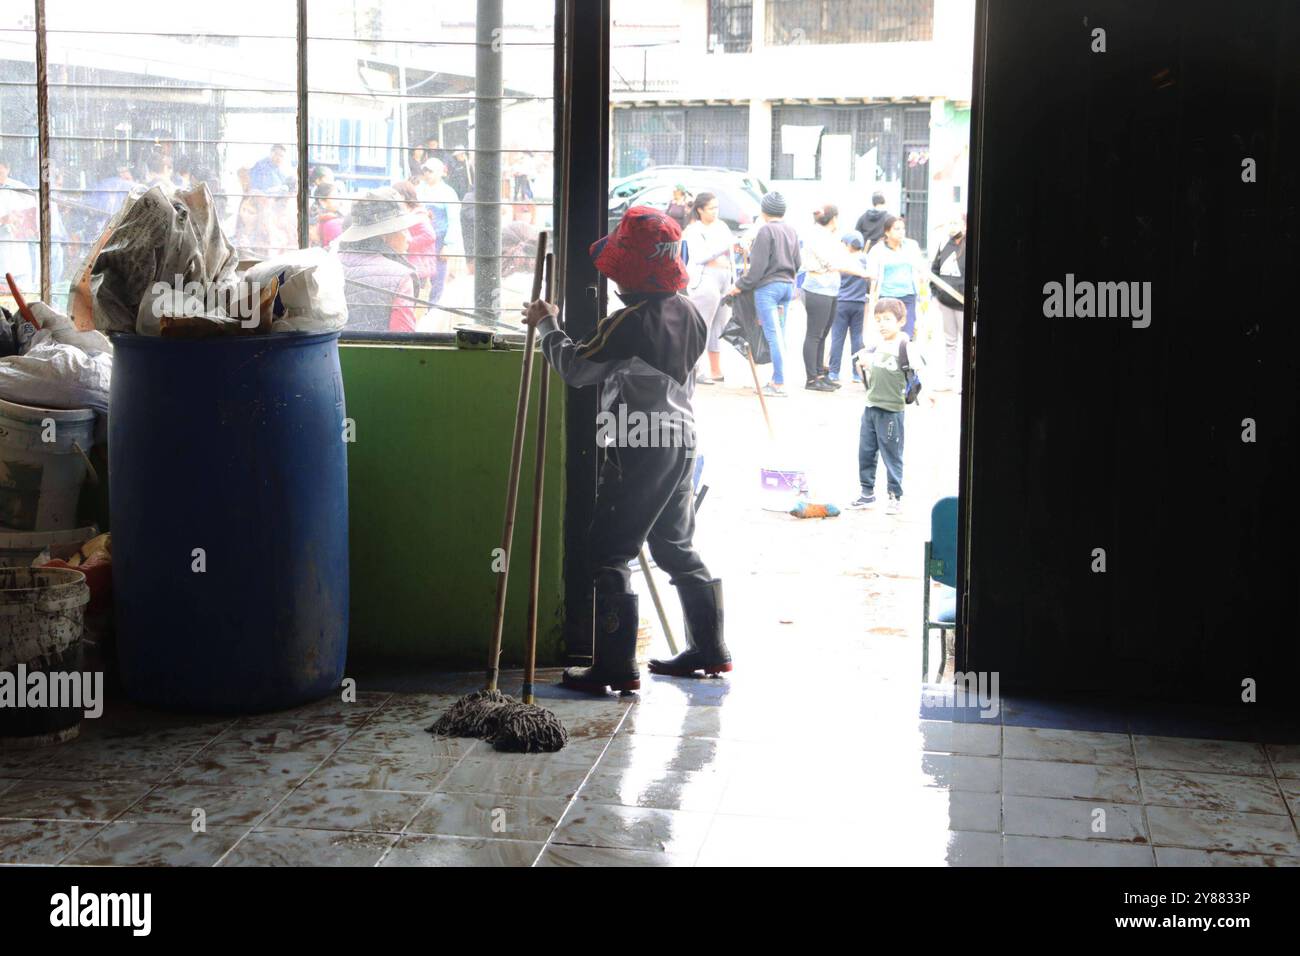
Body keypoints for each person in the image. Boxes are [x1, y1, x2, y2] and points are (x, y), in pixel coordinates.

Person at [520, 206, 731, 693]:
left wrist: (547, 324)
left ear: (627, 277)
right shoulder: (691, 313)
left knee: (609, 552)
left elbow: (575, 370)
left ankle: (614, 666)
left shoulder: (628, 323)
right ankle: (710, 649)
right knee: (674, 545)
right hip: (682, 440)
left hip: (641, 443)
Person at [730, 191, 800, 396]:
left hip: (768, 289)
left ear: (763, 211)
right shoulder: (791, 230)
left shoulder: (765, 231)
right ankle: (778, 379)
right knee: (780, 334)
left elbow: (757, 268)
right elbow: (798, 262)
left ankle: (778, 383)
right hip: (787, 287)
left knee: (773, 335)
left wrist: (740, 285)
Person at [850, 298, 917, 515]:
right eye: (878, 320)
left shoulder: (906, 346)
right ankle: (866, 493)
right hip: (871, 407)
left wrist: (932, 393)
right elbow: (866, 375)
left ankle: (894, 496)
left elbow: (920, 372)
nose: (882, 324)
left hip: (892, 410)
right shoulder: (874, 346)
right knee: (866, 452)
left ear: (901, 321)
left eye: (887, 319)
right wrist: (862, 365)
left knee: (892, 454)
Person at [800, 204, 872, 392]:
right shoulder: (816, 236)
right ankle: (812, 378)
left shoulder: (830, 237)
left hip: (830, 290)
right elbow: (835, 263)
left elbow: (844, 258)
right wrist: (863, 274)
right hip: (817, 289)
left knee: (823, 334)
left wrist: (864, 271)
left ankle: (820, 374)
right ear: (834, 219)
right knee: (815, 334)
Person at [336, 187, 424, 333]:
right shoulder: (400, 276)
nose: (409, 238)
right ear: (384, 235)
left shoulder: (327, 266)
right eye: (403, 230)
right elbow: (403, 341)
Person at [682, 191, 735, 385]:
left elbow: (730, 249)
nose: (715, 212)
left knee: (719, 324)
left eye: (716, 208)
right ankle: (695, 368)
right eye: (711, 208)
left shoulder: (721, 226)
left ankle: (715, 369)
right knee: (702, 324)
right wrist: (724, 246)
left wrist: (736, 247)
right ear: (700, 209)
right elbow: (700, 256)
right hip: (705, 279)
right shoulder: (694, 230)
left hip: (724, 277)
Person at [864, 214, 928, 339]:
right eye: (897, 229)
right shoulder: (878, 250)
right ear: (887, 232)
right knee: (889, 333)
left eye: (903, 229)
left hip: (908, 295)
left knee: (907, 333)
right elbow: (871, 272)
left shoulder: (911, 246)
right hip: (887, 297)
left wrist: (922, 276)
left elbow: (921, 266)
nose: (901, 232)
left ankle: (904, 357)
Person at [416, 159, 463, 304]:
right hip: (420, 240)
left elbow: (454, 221)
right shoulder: (418, 189)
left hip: (439, 240)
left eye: (431, 171)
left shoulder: (448, 193)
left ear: (440, 173)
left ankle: (433, 307)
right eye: (425, 171)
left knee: (438, 276)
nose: (427, 174)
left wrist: (448, 245)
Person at [930, 215, 967, 392]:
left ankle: (965, 380)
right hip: (945, 302)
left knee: (967, 342)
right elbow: (935, 270)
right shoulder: (944, 244)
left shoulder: (971, 244)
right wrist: (936, 293)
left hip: (963, 303)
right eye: (949, 222)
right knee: (950, 341)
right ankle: (948, 378)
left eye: (955, 222)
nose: (952, 226)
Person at [827, 230, 869, 383]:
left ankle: (833, 372)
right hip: (859, 303)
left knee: (837, 337)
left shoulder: (841, 260)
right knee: (857, 338)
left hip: (841, 303)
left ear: (848, 245)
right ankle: (857, 373)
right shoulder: (866, 259)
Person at [392, 179, 438, 299]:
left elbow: (430, 235)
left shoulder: (418, 215)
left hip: (419, 268)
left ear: (402, 196)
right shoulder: (408, 213)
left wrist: (407, 244)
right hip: (412, 266)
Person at [0, 157, 38, 294]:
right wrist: (2, 220)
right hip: (1, 253)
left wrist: (23, 223)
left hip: (18, 254)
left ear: (8, 169)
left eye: (1, 173)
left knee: (22, 296)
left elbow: (34, 219)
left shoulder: (20, 189)